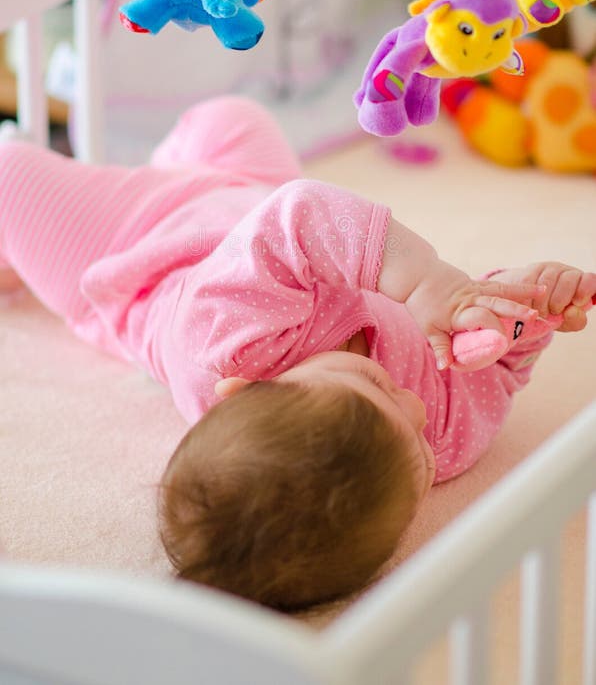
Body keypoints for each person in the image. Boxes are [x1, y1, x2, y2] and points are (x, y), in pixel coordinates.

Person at [0, 97, 593, 612]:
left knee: (10, 172)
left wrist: (423, 286)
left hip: (143, 242)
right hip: (254, 203)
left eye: (377, 382)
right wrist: (524, 305)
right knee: (237, 120)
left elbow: (303, 211)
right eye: (423, 458)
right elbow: (499, 371)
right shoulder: (433, 439)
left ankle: (108, 199)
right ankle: (178, 162)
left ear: (244, 387)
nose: (414, 403)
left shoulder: (224, 344)